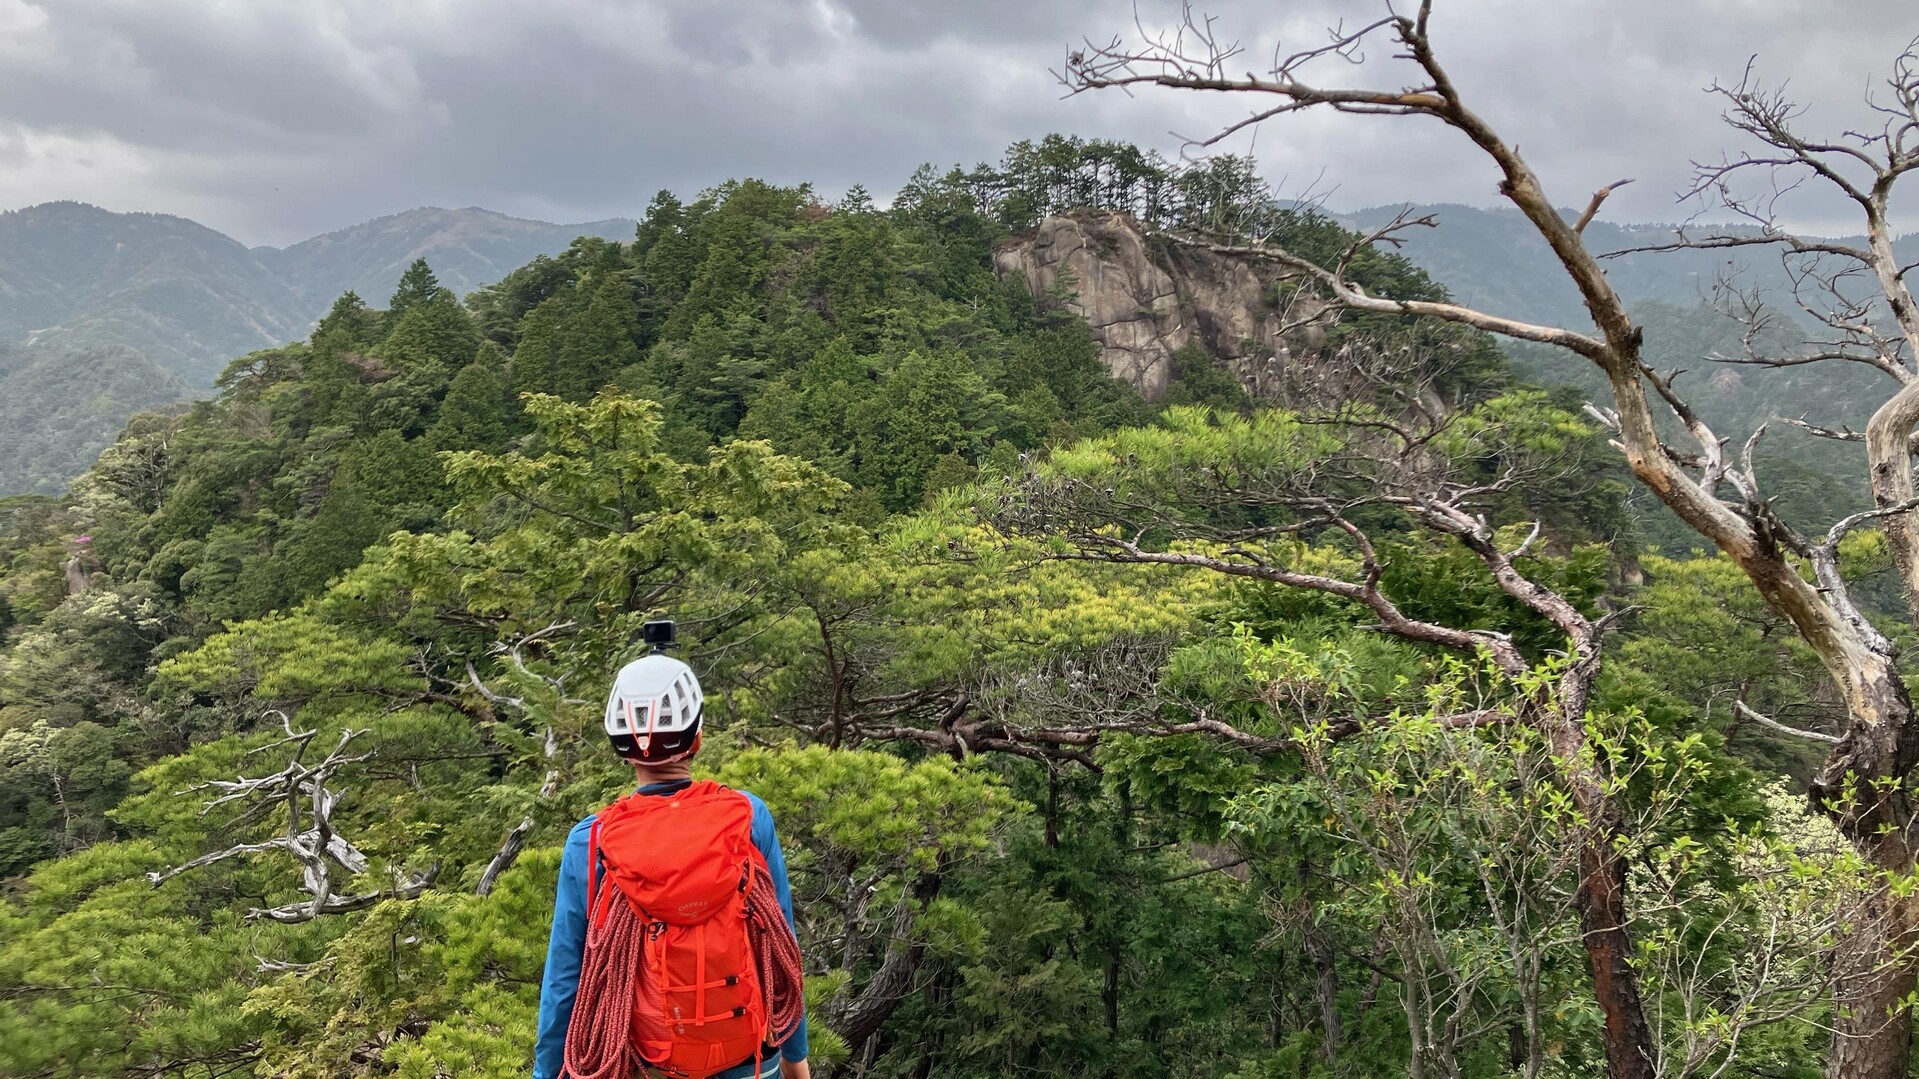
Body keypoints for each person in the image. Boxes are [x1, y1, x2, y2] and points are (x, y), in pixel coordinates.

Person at [533, 634, 810, 1079]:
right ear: (697, 736)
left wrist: (546, 1073)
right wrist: (796, 1060)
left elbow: (564, 979)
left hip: (651, 1065)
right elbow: (781, 946)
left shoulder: (593, 841)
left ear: (619, 745)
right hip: (753, 1060)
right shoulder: (747, 817)